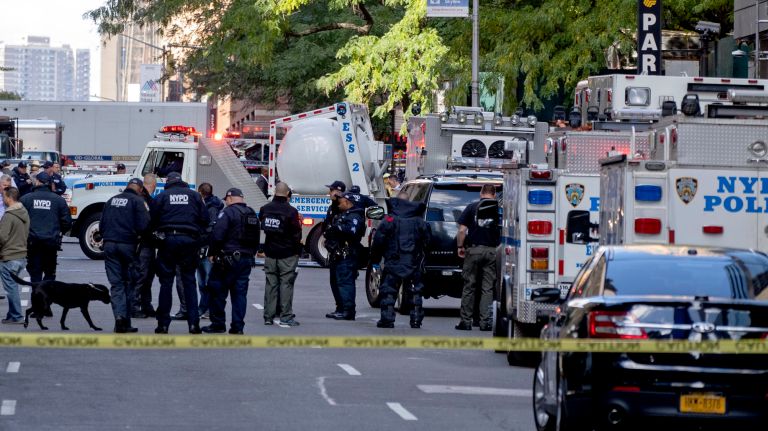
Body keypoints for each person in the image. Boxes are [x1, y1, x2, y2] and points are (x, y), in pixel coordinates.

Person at [150, 171, 209, 334]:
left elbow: (152, 220)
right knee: (189, 282)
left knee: (166, 283)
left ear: (168, 182)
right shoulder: (194, 196)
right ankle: (193, 324)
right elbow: (205, 219)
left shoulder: (162, 196)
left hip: (167, 240)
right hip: (189, 241)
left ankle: (162, 324)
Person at [202, 188, 259, 334]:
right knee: (240, 294)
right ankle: (238, 327)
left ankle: (218, 324)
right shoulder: (252, 213)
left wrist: (213, 253)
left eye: (226, 199)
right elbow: (256, 238)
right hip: (246, 259)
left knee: (217, 290)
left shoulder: (227, 213)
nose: (226, 202)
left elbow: (217, 235)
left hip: (227, 260)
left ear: (230, 198)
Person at [370, 194, 431, 328]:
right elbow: (428, 241)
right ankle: (415, 320)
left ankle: (387, 319)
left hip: (393, 261)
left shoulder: (389, 220)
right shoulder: (419, 221)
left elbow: (378, 241)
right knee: (415, 290)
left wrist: (375, 258)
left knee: (388, 290)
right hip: (414, 261)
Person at [100, 178, 150, 333]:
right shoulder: (138, 201)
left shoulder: (111, 200)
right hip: (128, 246)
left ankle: (120, 319)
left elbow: (101, 225)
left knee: (116, 284)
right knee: (129, 282)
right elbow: (145, 225)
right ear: (140, 189)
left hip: (109, 245)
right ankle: (125, 321)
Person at [455, 184, 500, 331]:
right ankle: (485, 322)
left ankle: (466, 322)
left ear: (481, 193)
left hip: (473, 250)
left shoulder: (472, 207)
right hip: (492, 251)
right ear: (494, 194)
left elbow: (462, 230)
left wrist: (460, 247)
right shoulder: (499, 209)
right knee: (487, 287)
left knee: (469, 285)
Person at [259, 182, 301, 327]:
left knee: (271, 284)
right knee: (286, 284)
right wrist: (297, 252)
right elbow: (296, 234)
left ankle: (268, 316)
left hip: (270, 252)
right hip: (287, 253)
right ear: (288, 194)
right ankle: (286, 316)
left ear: (275, 192)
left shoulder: (265, 209)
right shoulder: (291, 212)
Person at [20, 172, 72, 283]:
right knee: (49, 274)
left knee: (35, 274)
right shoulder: (58, 200)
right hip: (51, 242)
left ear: (38, 182)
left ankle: (37, 295)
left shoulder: (26, 199)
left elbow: (19, 221)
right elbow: (67, 222)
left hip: (32, 242)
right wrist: (58, 231)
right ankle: (46, 297)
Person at [323, 191, 365, 321]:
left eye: (341, 202)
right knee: (335, 282)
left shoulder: (354, 216)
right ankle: (340, 308)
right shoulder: (342, 214)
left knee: (345, 282)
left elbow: (351, 232)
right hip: (337, 253)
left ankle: (348, 310)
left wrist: (337, 229)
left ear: (347, 202)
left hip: (347, 254)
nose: (339, 205)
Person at [0, 187, 29, 325]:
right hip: (21, 254)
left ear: (9, 198)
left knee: (10, 287)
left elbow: (2, 237)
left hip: (9, 255)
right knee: (12, 286)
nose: (3, 199)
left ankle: (16, 315)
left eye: (3, 196)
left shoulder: (9, 215)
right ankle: (11, 315)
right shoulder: (24, 212)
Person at [131, 173, 158, 318]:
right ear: (153, 185)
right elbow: (146, 223)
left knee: (147, 276)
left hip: (145, 243)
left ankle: (146, 305)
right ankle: (135, 306)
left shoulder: (143, 198)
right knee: (142, 276)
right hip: (144, 244)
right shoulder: (143, 200)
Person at [196, 182, 224, 319]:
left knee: (205, 281)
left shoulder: (210, 207)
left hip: (206, 248)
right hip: (205, 247)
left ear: (200, 192)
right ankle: (205, 308)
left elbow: (210, 229)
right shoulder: (212, 205)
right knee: (203, 281)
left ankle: (206, 309)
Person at [321, 180, 346, 318]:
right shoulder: (332, 207)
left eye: (331, 190)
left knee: (340, 280)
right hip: (333, 249)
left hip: (341, 249)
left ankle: (344, 308)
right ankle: (339, 307)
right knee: (333, 280)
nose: (329, 193)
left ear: (338, 192)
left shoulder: (343, 207)